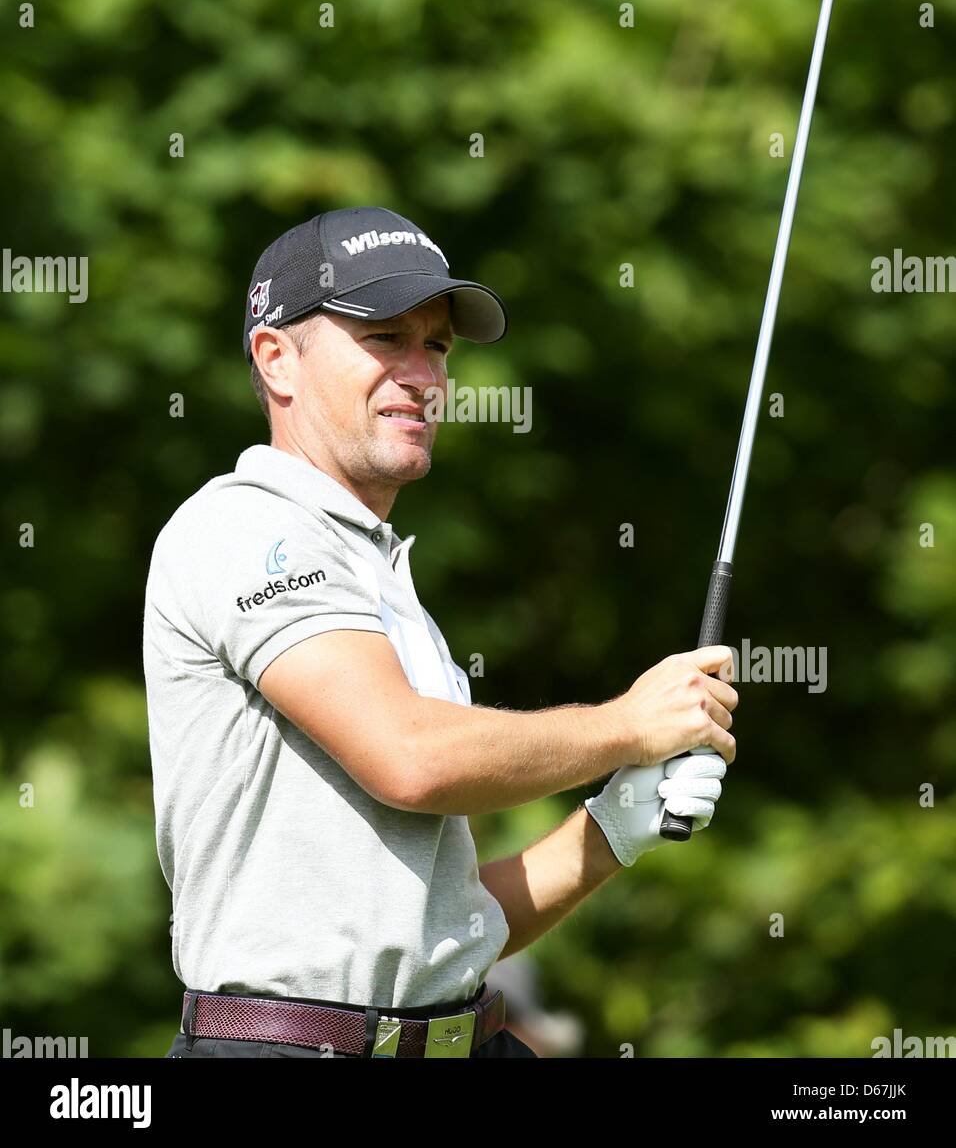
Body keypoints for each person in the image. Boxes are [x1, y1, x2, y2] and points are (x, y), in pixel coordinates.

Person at [143, 205, 737, 1060]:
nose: (424, 373)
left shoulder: (381, 576)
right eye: (386, 338)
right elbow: (413, 760)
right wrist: (630, 725)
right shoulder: (242, 530)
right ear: (277, 358)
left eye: (439, 347)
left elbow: (448, 938)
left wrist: (611, 829)